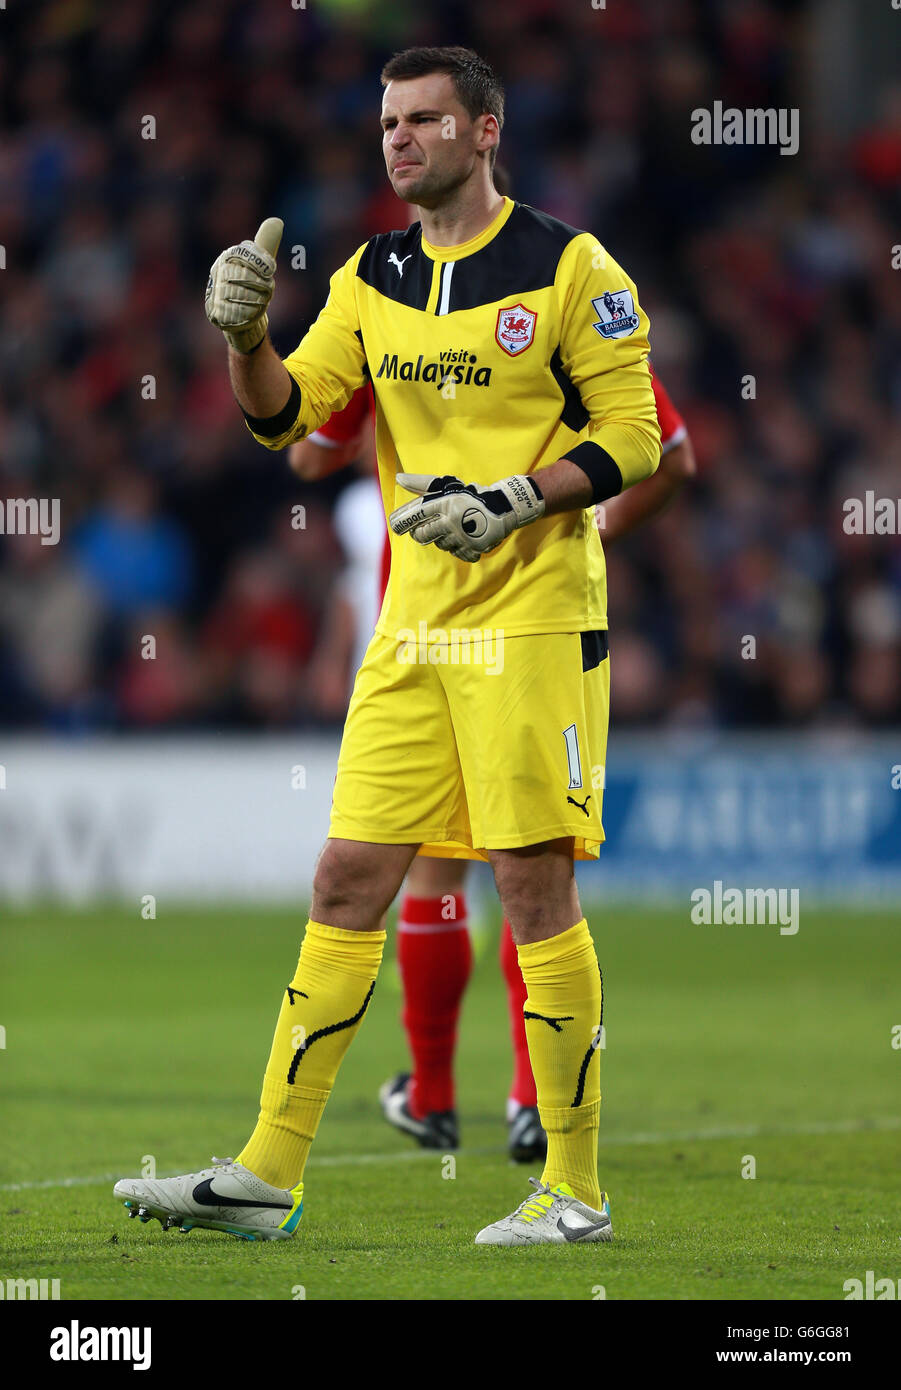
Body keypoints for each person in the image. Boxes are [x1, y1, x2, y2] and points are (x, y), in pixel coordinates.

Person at [114, 44, 661, 1246]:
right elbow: (285, 418)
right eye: (386, 124)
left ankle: (573, 1190)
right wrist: (243, 337)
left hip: (533, 619)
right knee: (346, 878)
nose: (398, 140)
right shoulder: (372, 274)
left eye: (422, 120)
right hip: (415, 628)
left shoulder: (570, 266)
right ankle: (266, 1173)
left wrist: (512, 501)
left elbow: (636, 436)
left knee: (530, 886)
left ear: (484, 130)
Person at [289, 367, 694, 1165]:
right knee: (534, 874)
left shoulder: (400, 324)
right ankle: (528, 1104)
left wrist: (386, 404)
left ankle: (435, 1095)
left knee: (442, 876)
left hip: (431, 625)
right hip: (530, 629)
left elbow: (307, 458)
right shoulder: (559, 312)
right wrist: (585, 522)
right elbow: (669, 455)